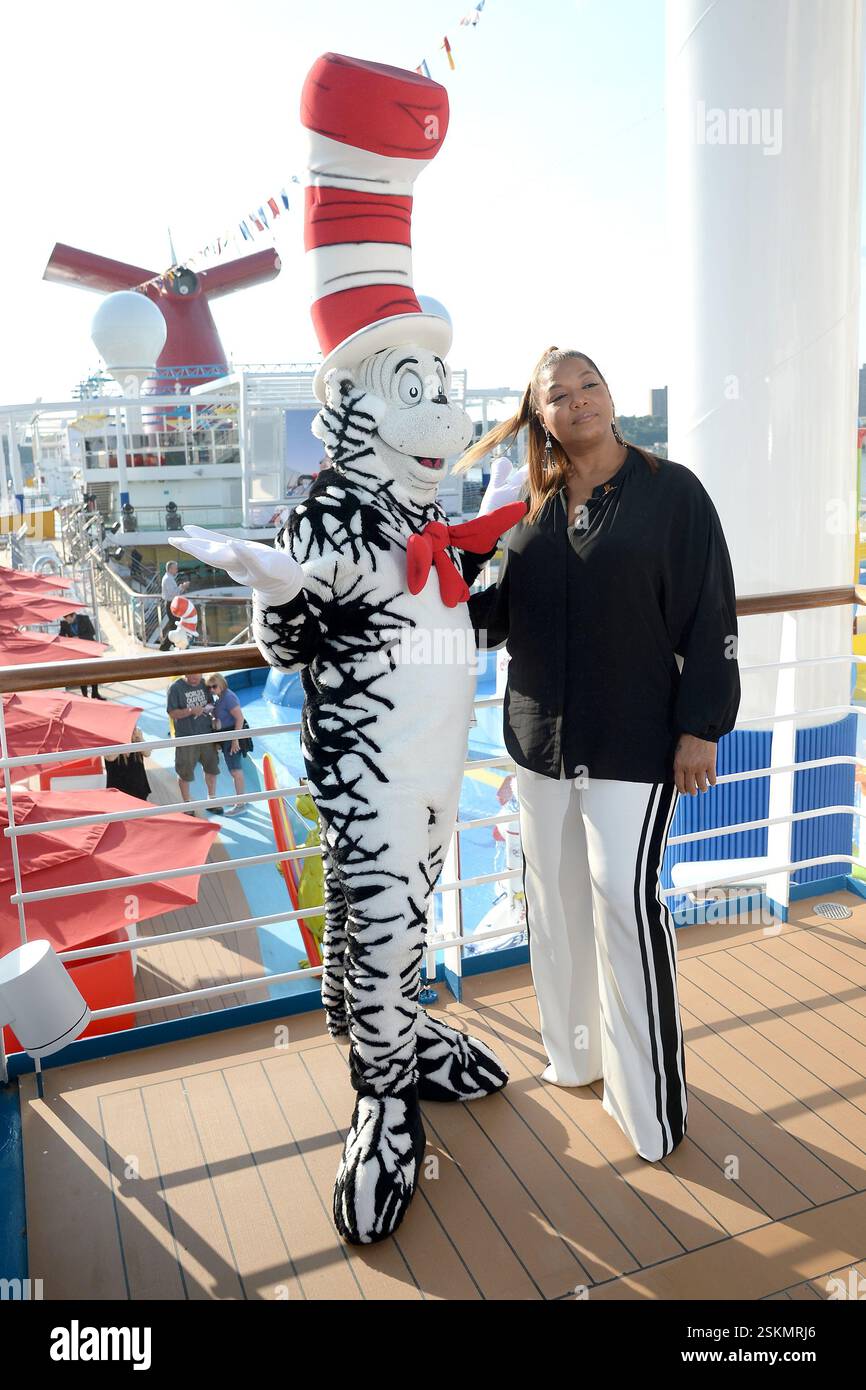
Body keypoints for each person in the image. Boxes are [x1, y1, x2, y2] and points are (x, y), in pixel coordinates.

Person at [460, 345, 741, 1164]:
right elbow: (490, 619)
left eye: (592, 384)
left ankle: (651, 1105)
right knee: (551, 903)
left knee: (623, 903)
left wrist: (701, 726)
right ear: (539, 416)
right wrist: (462, 554)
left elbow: (711, 614)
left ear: (611, 397)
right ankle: (573, 1057)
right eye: (560, 393)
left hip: (636, 737)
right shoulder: (528, 507)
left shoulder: (671, 492)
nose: (580, 399)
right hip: (540, 740)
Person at [166, 671, 222, 812]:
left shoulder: (205, 684)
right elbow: (172, 712)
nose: (195, 677)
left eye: (198, 674)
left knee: (212, 768)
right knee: (185, 772)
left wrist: (214, 717)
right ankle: (187, 805)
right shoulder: (175, 688)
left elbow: (211, 704)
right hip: (186, 737)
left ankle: (212, 799)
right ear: (185, 673)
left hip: (207, 735)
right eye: (191, 674)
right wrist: (190, 711)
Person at [206, 673, 248, 815]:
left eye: (214, 686)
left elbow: (240, 718)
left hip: (231, 736)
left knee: (236, 770)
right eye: (209, 687)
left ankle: (241, 804)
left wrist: (235, 739)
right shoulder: (221, 697)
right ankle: (240, 798)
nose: (211, 689)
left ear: (221, 684)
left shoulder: (228, 697)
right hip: (227, 736)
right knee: (233, 770)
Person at [58, 610, 102, 699]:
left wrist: (79, 638)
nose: (67, 621)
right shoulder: (64, 623)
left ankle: (95, 693)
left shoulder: (84, 619)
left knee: (93, 671)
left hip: (89, 648)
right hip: (77, 650)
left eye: (68, 619)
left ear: (73, 616)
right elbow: (61, 636)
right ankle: (84, 695)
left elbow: (91, 633)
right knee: (81, 672)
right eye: (66, 619)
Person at [104, 725, 151, 800]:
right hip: (118, 792)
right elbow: (110, 758)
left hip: (139, 789)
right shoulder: (111, 742)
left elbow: (147, 753)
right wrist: (123, 739)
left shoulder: (136, 741)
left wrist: (140, 738)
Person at [159, 560, 189, 651]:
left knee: (174, 625)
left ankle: (168, 645)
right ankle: (166, 646)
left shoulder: (169, 578)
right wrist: (182, 587)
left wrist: (181, 587)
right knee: (175, 625)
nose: (177, 570)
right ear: (171, 569)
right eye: (175, 568)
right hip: (170, 604)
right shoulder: (168, 579)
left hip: (171, 603)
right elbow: (173, 593)